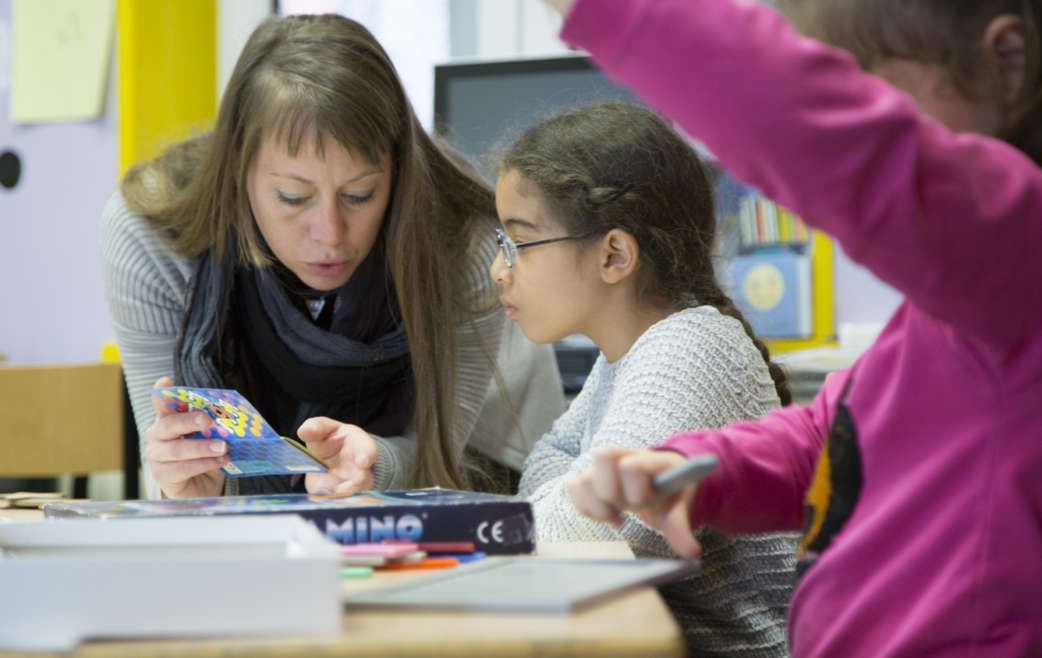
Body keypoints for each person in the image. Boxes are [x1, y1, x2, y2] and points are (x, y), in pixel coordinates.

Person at [548, 0, 1042, 655]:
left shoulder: (1021, 250)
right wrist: (702, 470)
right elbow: (834, 441)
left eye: (856, 87)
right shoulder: (956, 307)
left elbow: (823, 136)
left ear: (1004, 64)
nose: (846, 112)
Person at [100, 13, 564, 500]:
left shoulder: (462, 241)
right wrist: (187, 484)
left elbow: (435, 460)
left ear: (398, 175)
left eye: (360, 195)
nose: (330, 235)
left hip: (476, 465)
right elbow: (167, 473)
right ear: (237, 171)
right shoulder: (151, 232)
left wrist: (375, 463)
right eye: (293, 198)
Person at [495, 102, 797, 657]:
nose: (499, 269)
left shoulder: (688, 349)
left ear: (614, 254)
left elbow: (589, 531)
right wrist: (566, 488)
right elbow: (544, 470)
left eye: (519, 244)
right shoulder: (626, 355)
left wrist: (568, 490)